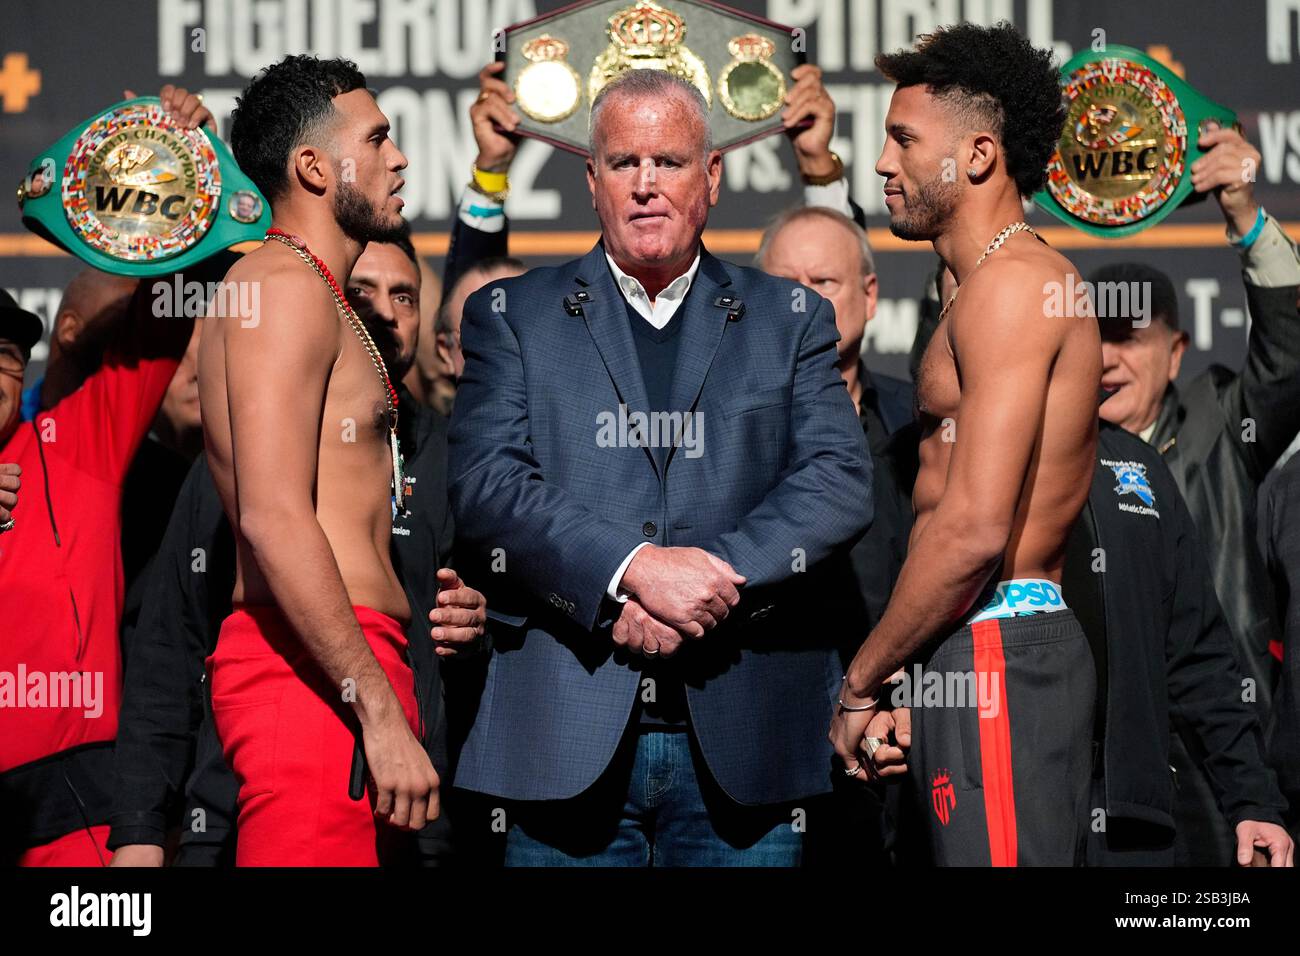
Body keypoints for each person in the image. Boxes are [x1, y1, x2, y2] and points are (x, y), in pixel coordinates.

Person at [448, 67, 871, 866]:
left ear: (711, 176)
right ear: (591, 178)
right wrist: (632, 571)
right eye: (623, 163)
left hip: (748, 747)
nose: (646, 185)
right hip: (561, 743)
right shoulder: (512, 316)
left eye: (670, 162)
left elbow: (836, 483)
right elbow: (487, 487)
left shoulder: (790, 320)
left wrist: (701, 580)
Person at [109, 232, 484, 866]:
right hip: (239, 806)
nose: (386, 313)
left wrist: (477, 626)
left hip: (420, 814)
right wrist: (140, 829)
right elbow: (169, 644)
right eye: (362, 291)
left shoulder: (458, 460)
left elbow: (496, 634)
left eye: (406, 296)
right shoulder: (249, 457)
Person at [831, 22, 1101, 867]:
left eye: (904, 139)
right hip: (970, 648)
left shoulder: (1017, 287)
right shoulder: (977, 288)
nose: (882, 163)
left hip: (999, 647)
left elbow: (977, 525)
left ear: (978, 155)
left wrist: (860, 680)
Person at [197, 55, 459, 866]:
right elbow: (273, 516)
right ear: (314, 167)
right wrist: (375, 709)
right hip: (309, 676)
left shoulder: (314, 292)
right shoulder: (281, 285)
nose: (401, 157)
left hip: (344, 666)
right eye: (377, 138)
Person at [1086, 139, 1300, 860]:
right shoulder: (1052, 454)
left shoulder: (1224, 425)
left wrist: (1241, 210)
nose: (1109, 357)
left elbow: (1290, 356)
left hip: (1227, 753)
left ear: (1176, 351)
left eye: (1131, 338)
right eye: (1096, 337)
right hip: (1108, 771)